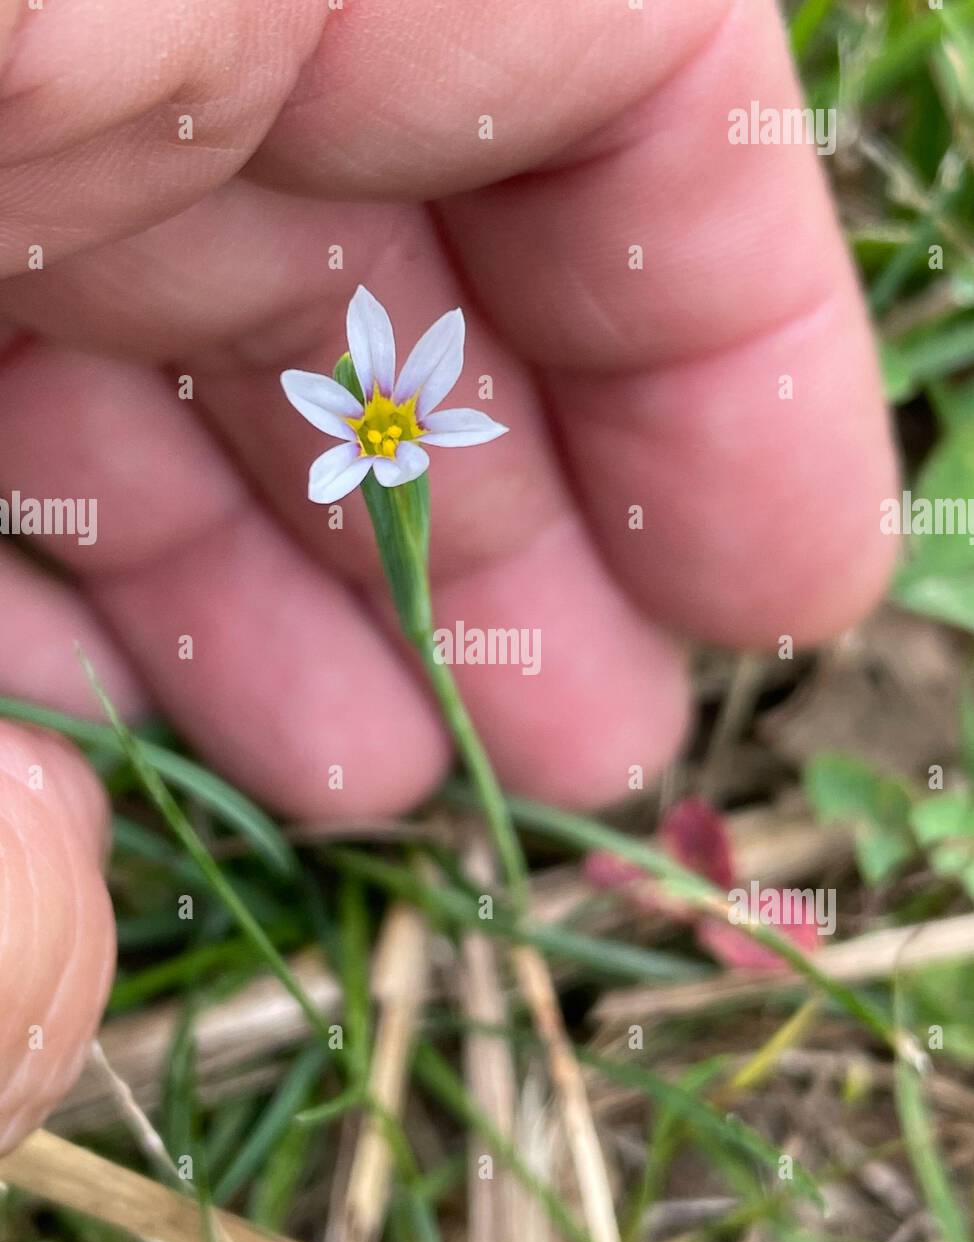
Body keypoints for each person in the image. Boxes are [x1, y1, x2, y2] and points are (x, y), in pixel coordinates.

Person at [0, 0, 897, 1150]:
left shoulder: (407, 420)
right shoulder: (368, 418)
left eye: (390, 427)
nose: (382, 430)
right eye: (374, 428)